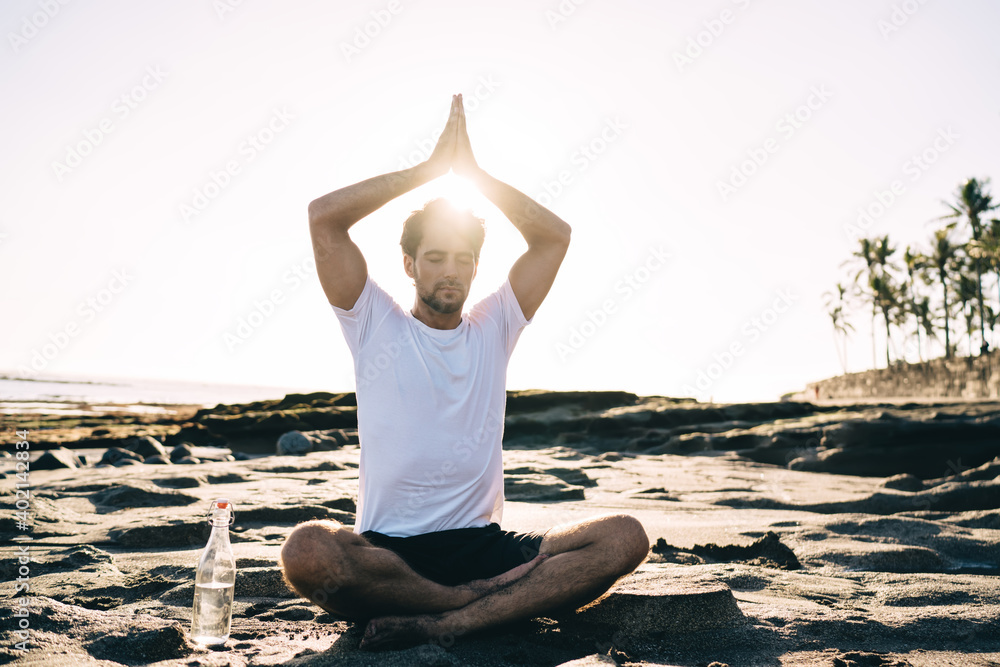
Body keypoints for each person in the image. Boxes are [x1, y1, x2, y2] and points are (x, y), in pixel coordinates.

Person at [279, 94, 649, 650]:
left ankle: (449, 623)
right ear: (409, 265)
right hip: (390, 554)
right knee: (306, 550)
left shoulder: (495, 325)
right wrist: (426, 172)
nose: (449, 271)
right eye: (435, 257)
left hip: (483, 547)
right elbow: (323, 218)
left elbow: (556, 237)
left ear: (477, 267)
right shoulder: (371, 320)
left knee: (624, 537)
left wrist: (475, 178)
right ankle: (467, 603)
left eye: (462, 259)